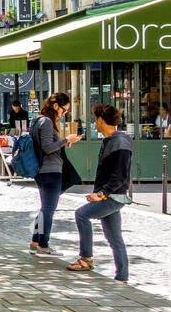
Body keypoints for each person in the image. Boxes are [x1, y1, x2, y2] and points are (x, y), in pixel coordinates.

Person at [68, 104, 133, 282]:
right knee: (115, 238)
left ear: (101, 120)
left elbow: (120, 175)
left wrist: (102, 194)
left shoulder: (120, 142)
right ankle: (122, 277)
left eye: (96, 119)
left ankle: (86, 258)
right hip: (111, 195)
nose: (95, 123)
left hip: (112, 196)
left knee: (82, 215)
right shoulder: (112, 140)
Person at [28, 91, 82, 256]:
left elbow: (47, 146)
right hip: (49, 171)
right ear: (55, 106)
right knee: (48, 210)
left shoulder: (39, 120)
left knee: (45, 208)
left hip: (45, 170)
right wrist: (66, 140)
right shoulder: (46, 122)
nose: (64, 113)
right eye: (64, 110)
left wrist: (64, 144)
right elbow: (47, 147)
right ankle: (43, 245)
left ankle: (35, 242)